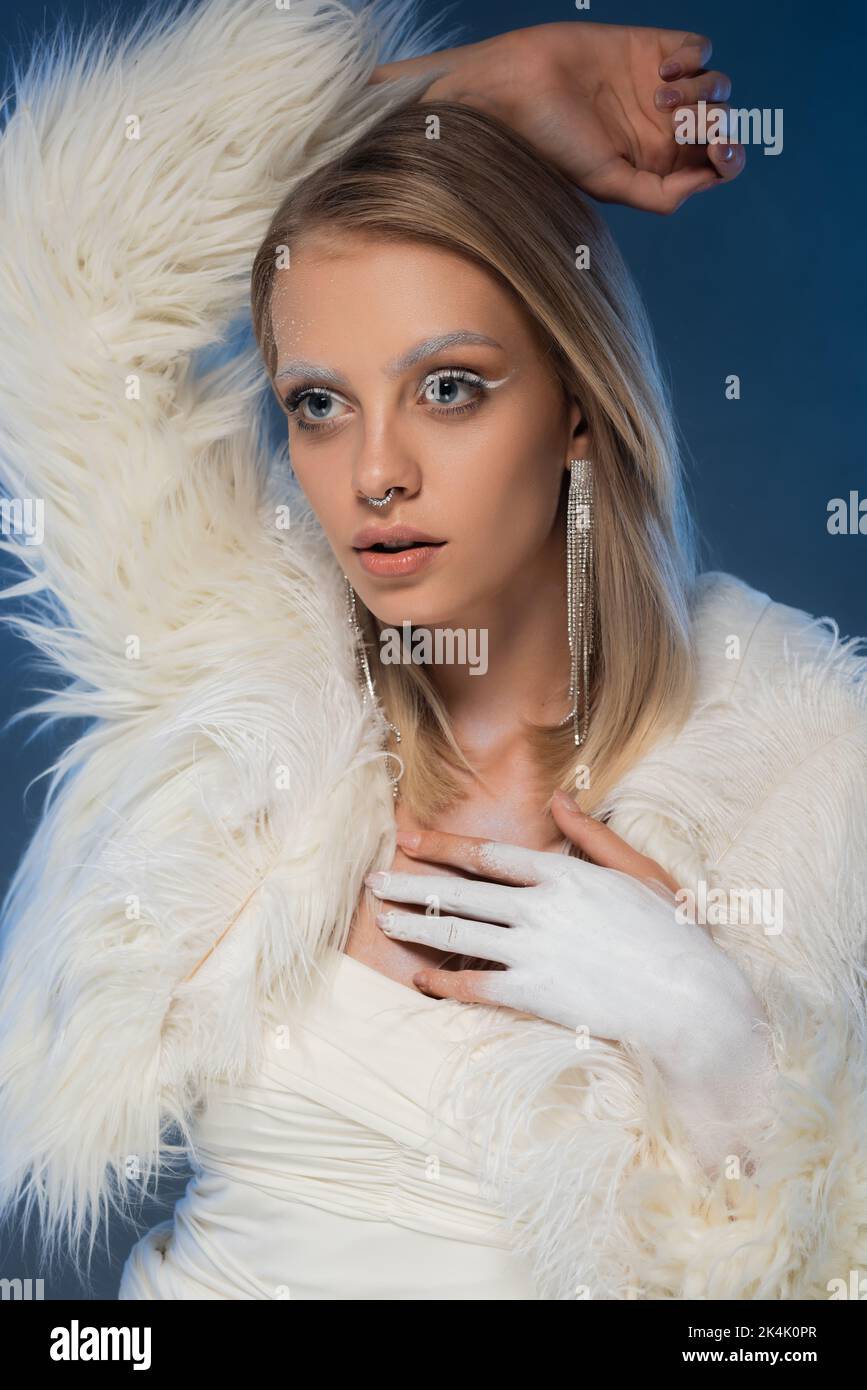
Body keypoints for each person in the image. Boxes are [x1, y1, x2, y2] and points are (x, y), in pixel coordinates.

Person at [0, 0, 864, 1302]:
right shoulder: (238, 656)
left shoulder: (811, 783)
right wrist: (472, 90)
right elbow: (48, 263)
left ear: (578, 406)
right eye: (319, 405)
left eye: (448, 387)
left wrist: (711, 1030)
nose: (376, 474)